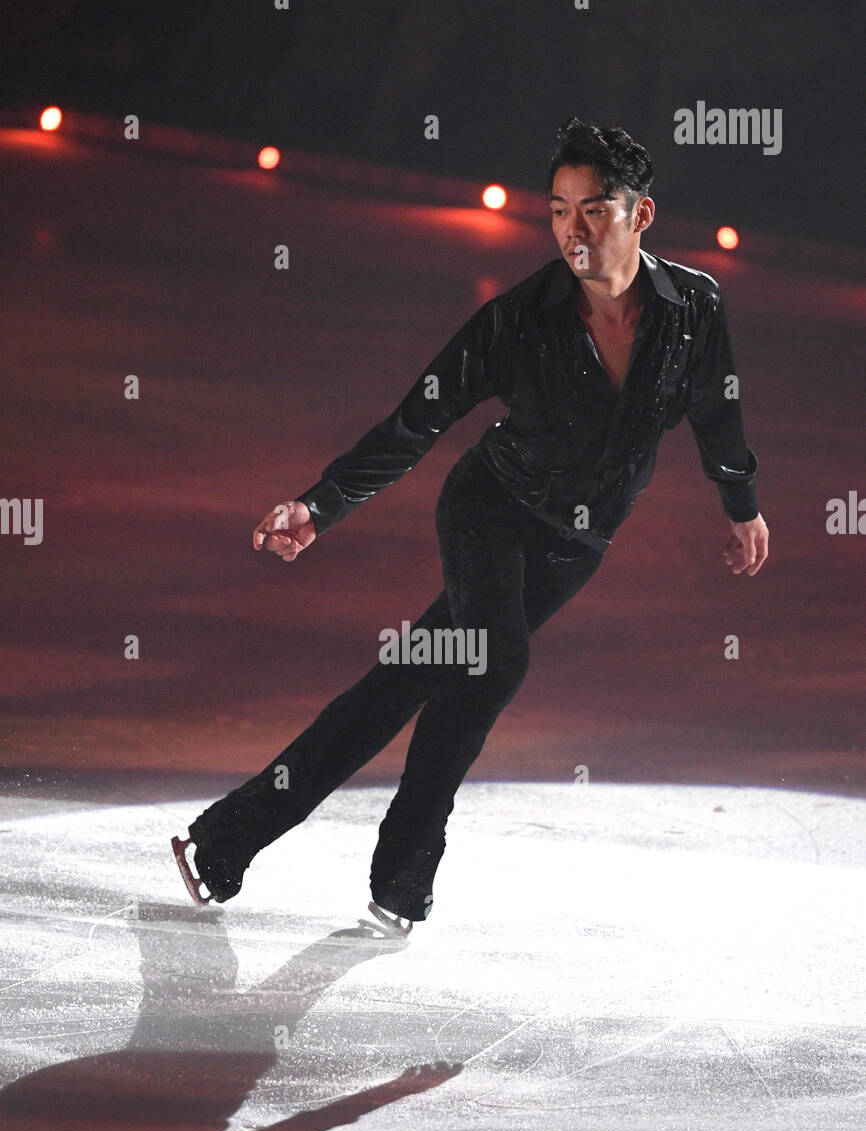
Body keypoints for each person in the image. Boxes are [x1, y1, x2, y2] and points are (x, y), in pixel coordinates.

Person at [172, 117, 769, 936]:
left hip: (575, 547)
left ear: (642, 215)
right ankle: (404, 871)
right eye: (559, 210)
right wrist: (321, 504)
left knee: (406, 680)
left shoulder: (695, 308)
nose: (573, 229)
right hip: (490, 510)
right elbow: (415, 423)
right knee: (493, 661)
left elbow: (716, 409)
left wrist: (741, 504)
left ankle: (226, 841)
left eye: (594, 209)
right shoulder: (519, 319)